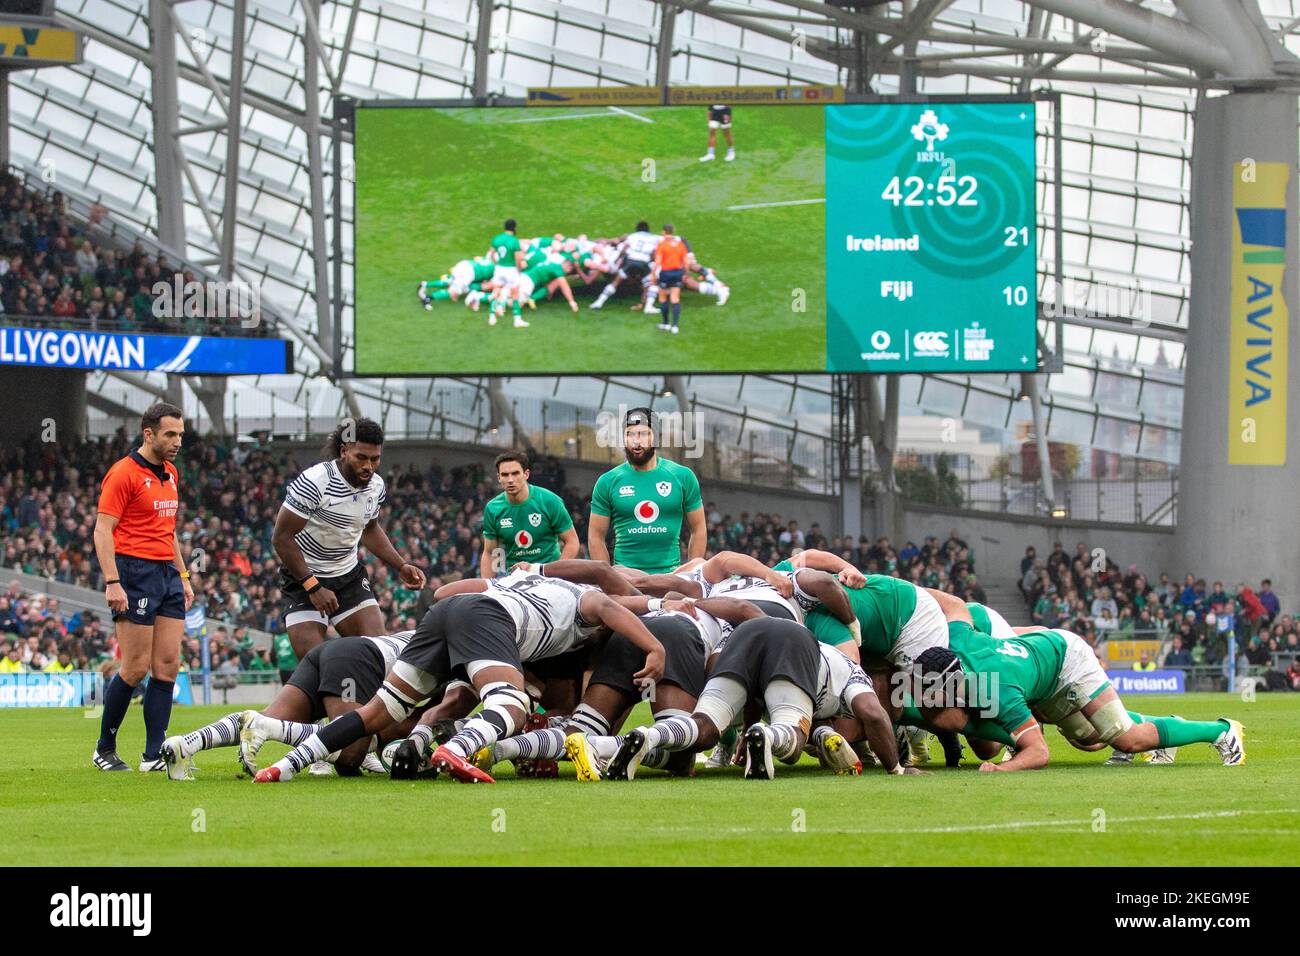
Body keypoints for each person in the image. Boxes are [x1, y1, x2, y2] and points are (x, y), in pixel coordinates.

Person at [91, 402, 193, 772]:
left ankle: (153, 755)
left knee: (167, 665)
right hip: (134, 573)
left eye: (180, 434)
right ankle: (104, 747)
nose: (177, 441)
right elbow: (102, 531)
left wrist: (183, 577)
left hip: (166, 573)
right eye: (170, 434)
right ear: (148, 434)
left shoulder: (171, 473)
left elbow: (169, 531)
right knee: (134, 668)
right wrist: (113, 582)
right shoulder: (123, 473)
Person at [271, 417, 425, 661]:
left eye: (375, 459)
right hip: (303, 580)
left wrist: (401, 565)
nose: (369, 466)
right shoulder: (315, 482)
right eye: (361, 457)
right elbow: (281, 538)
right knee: (316, 665)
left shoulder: (375, 486)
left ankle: (362, 699)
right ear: (344, 451)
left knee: (377, 656)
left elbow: (370, 528)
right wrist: (313, 586)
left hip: (348, 578)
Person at [587, 407, 705, 575]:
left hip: (671, 577)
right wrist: (608, 579)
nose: (636, 441)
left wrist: (693, 575)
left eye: (643, 434)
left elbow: (698, 528)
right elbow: (595, 537)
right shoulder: (607, 482)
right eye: (630, 434)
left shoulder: (683, 476)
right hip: (625, 578)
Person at [480, 450, 578, 577]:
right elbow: (489, 553)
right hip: (513, 580)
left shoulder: (550, 501)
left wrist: (557, 574)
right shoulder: (492, 508)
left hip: (548, 576)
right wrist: (488, 588)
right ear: (499, 478)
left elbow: (572, 541)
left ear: (526, 474)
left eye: (515, 473)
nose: (510, 480)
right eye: (505, 475)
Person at [652, 224, 689, 333]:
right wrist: (686, 273)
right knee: (675, 299)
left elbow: (658, 261)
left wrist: (653, 274)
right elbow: (686, 261)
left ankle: (666, 324)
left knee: (663, 298)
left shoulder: (662, 245)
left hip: (665, 273)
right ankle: (675, 326)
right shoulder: (680, 244)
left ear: (663, 232)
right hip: (678, 273)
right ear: (673, 231)